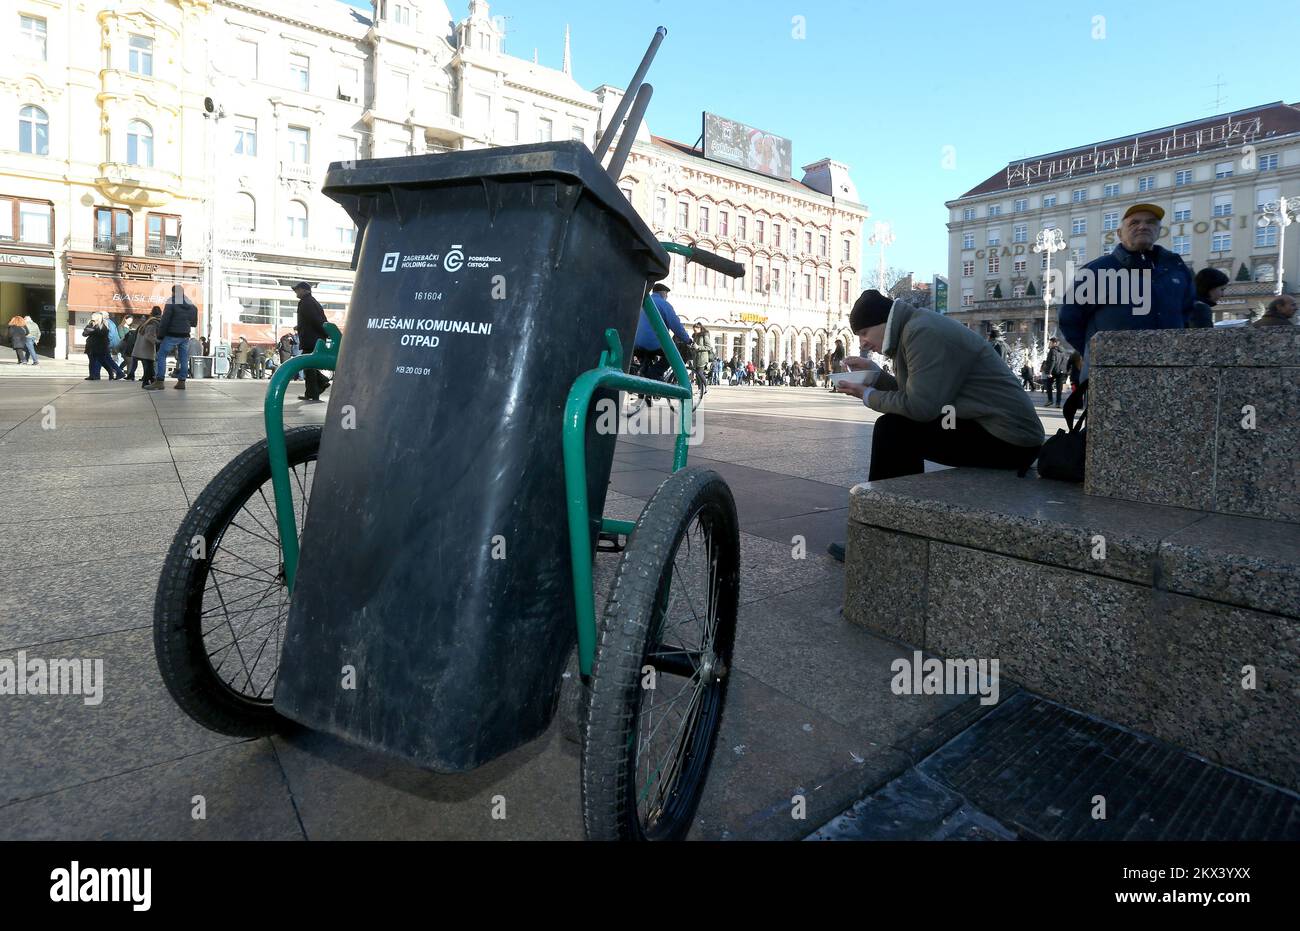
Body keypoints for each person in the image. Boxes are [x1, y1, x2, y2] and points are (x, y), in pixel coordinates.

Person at [826, 290, 1044, 560]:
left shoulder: (922, 332)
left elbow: (921, 408)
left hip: (1010, 441)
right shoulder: (916, 326)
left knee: (893, 429)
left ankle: (882, 536)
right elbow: (920, 396)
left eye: (864, 333)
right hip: (993, 429)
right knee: (896, 427)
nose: (864, 342)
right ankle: (893, 525)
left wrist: (867, 395)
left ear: (884, 322)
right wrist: (876, 377)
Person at [1059, 203, 1195, 370]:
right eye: (1134, 223)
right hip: (1109, 374)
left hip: (1169, 371)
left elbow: (1187, 315)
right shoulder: (1096, 271)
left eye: (1151, 222)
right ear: (1119, 233)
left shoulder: (1176, 269)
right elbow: (1069, 320)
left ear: (1159, 231)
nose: (1143, 226)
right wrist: (1098, 355)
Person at [146, 285, 198, 390]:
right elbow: (194, 323)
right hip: (185, 335)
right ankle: (181, 382)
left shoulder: (171, 302)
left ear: (173, 292)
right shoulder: (191, 305)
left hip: (172, 334)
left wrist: (160, 335)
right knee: (183, 358)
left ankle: (159, 381)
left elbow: (165, 320)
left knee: (161, 355)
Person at [293, 282, 330, 402]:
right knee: (309, 366)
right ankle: (315, 389)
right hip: (314, 338)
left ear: (305, 290)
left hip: (312, 339)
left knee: (308, 365)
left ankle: (314, 391)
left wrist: (324, 334)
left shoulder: (307, 302)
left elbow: (316, 320)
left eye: (297, 290)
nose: (296, 292)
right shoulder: (310, 302)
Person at [82, 312, 123, 380]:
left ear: (98, 317)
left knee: (102, 361)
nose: (92, 317)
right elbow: (84, 334)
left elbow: (103, 333)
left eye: (93, 316)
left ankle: (110, 372)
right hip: (91, 346)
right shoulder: (90, 324)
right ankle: (92, 375)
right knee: (91, 361)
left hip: (100, 346)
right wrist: (86, 332)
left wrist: (92, 331)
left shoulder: (104, 324)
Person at [132, 307, 162, 388]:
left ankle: (151, 381)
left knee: (149, 366)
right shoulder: (153, 323)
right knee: (148, 367)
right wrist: (158, 341)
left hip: (142, 348)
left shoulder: (148, 321)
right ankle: (146, 383)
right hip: (146, 349)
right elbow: (149, 336)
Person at [1042, 337, 1070, 408]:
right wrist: (1065, 371)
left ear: (1054, 343)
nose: (1049, 344)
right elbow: (1065, 361)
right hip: (1062, 372)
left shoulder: (1053, 350)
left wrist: (1049, 372)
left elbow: (1052, 361)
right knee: (1059, 388)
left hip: (1054, 371)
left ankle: (1050, 400)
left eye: (1050, 343)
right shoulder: (1063, 351)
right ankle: (1058, 403)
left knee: (1048, 385)